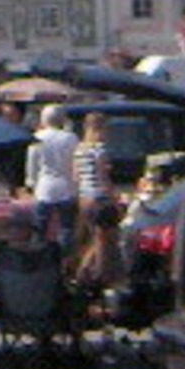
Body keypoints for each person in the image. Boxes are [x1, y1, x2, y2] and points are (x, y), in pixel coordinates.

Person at [70, 111, 123, 292]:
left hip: (84, 198)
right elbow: (103, 178)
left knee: (91, 237)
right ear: (101, 128)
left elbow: (76, 177)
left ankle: (81, 273)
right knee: (103, 239)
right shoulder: (99, 149)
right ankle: (97, 275)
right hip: (99, 197)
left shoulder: (79, 150)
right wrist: (115, 199)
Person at [24, 105, 79, 246]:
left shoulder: (36, 138)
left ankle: (39, 258)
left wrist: (31, 183)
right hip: (67, 187)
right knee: (67, 227)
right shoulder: (71, 138)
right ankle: (64, 259)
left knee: (40, 228)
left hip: (44, 187)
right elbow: (76, 164)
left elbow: (32, 166)